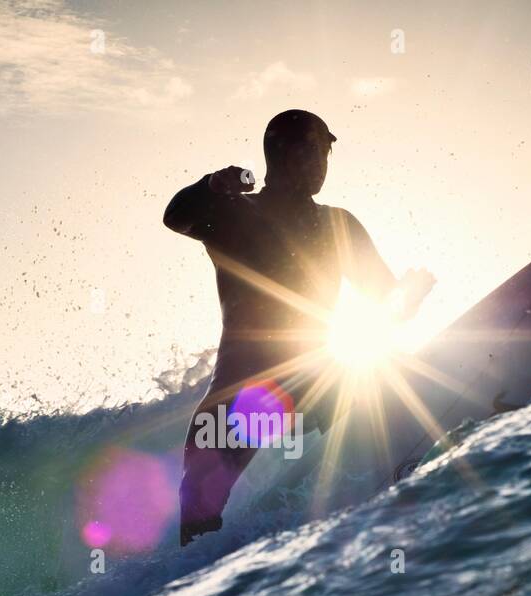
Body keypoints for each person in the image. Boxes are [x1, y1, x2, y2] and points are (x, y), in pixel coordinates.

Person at [163, 109, 434, 545]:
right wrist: (211, 185)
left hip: (317, 381)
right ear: (286, 153)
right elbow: (176, 216)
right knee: (197, 532)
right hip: (241, 400)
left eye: (326, 153)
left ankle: (396, 464)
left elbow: (387, 304)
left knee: (382, 377)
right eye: (316, 151)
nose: (324, 164)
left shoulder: (338, 225)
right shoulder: (234, 213)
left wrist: (412, 295)